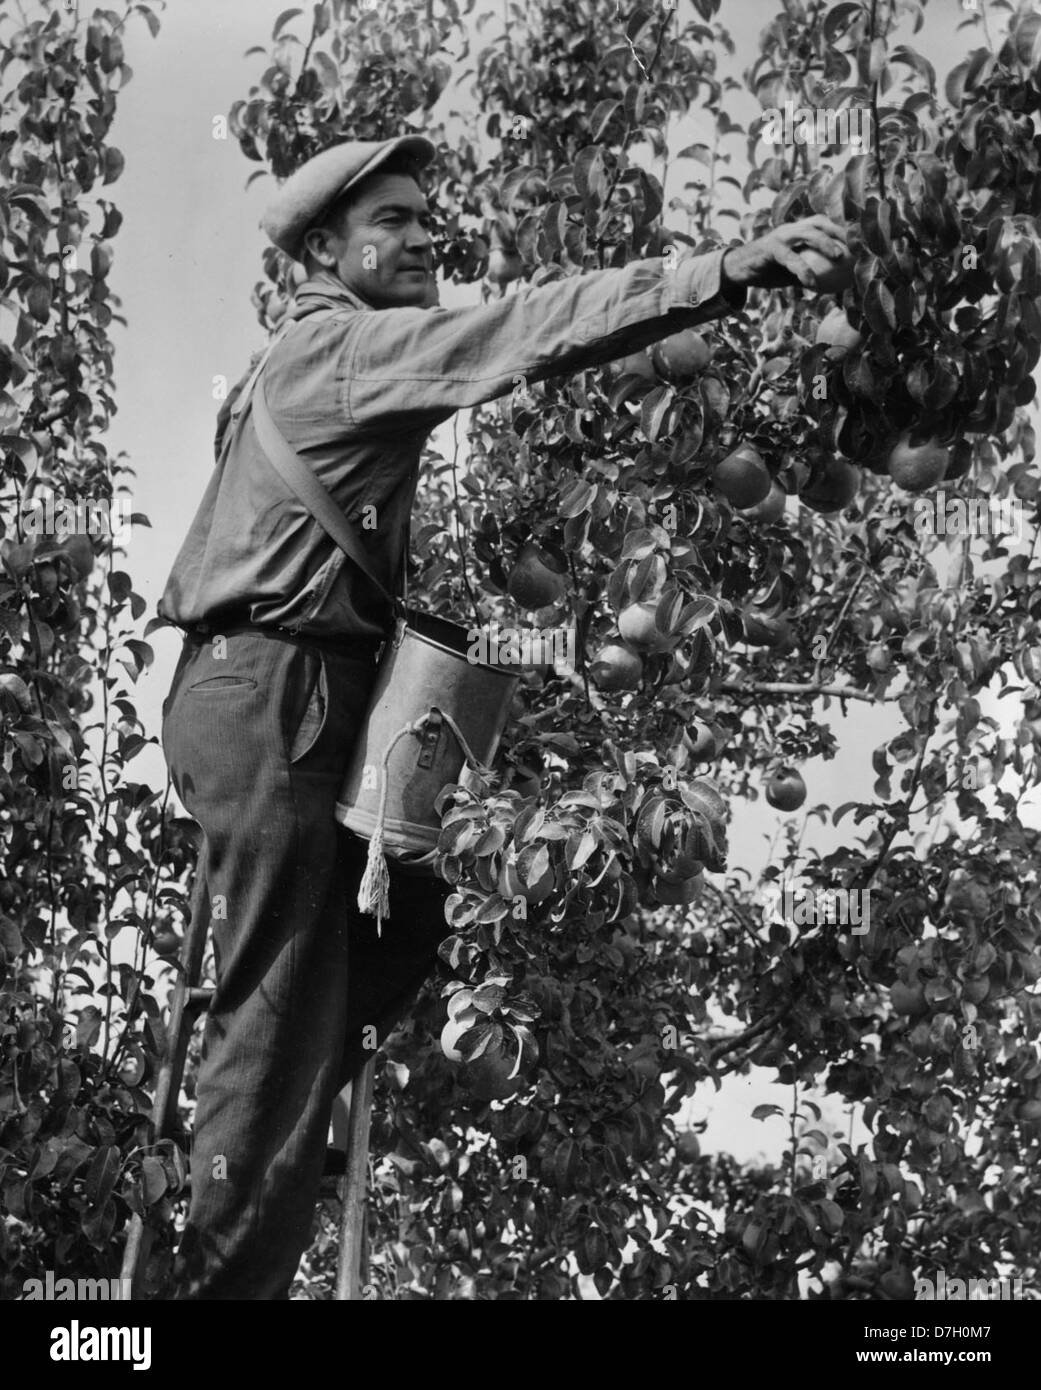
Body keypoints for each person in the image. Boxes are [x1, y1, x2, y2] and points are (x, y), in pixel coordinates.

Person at [156, 134, 850, 1299]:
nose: (429, 235)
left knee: (368, 964)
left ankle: (252, 1220)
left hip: (290, 691)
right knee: (272, 1024)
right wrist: (726, 272)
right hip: (271, 692)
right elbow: (527, 329)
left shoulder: (312, 363)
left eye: (434, 217)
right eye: (396, 218)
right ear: (328, 247)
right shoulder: (342, 350)